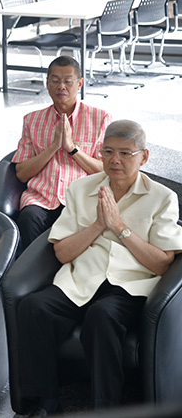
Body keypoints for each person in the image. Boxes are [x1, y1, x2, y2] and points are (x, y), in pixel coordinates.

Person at [16, 120, 182, 414]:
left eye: (125, 153)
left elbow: (162, 262)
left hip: (130, 285)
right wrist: (98, 225)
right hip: (81, 278)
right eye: (108, 151)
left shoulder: (162, 198)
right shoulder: (81, 189)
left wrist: (119, 227)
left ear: (144, 157)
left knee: (102, 316)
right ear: (100, 152)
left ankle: (104, 408)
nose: (114, 160)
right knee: (33, 307)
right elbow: (63, 252)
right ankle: (44, 402)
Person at [12, 56, 111, 254]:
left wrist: (71, 148)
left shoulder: (100, 118)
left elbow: (106, 170)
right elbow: (22, 173)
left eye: (68, 81)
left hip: (80, 199)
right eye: (55, 81)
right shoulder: (32, 120)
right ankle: (30, 279)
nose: (61, 86)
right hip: (40, 198)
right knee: (28, 219)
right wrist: (52, 148)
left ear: (80, 84)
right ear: (47, 84)